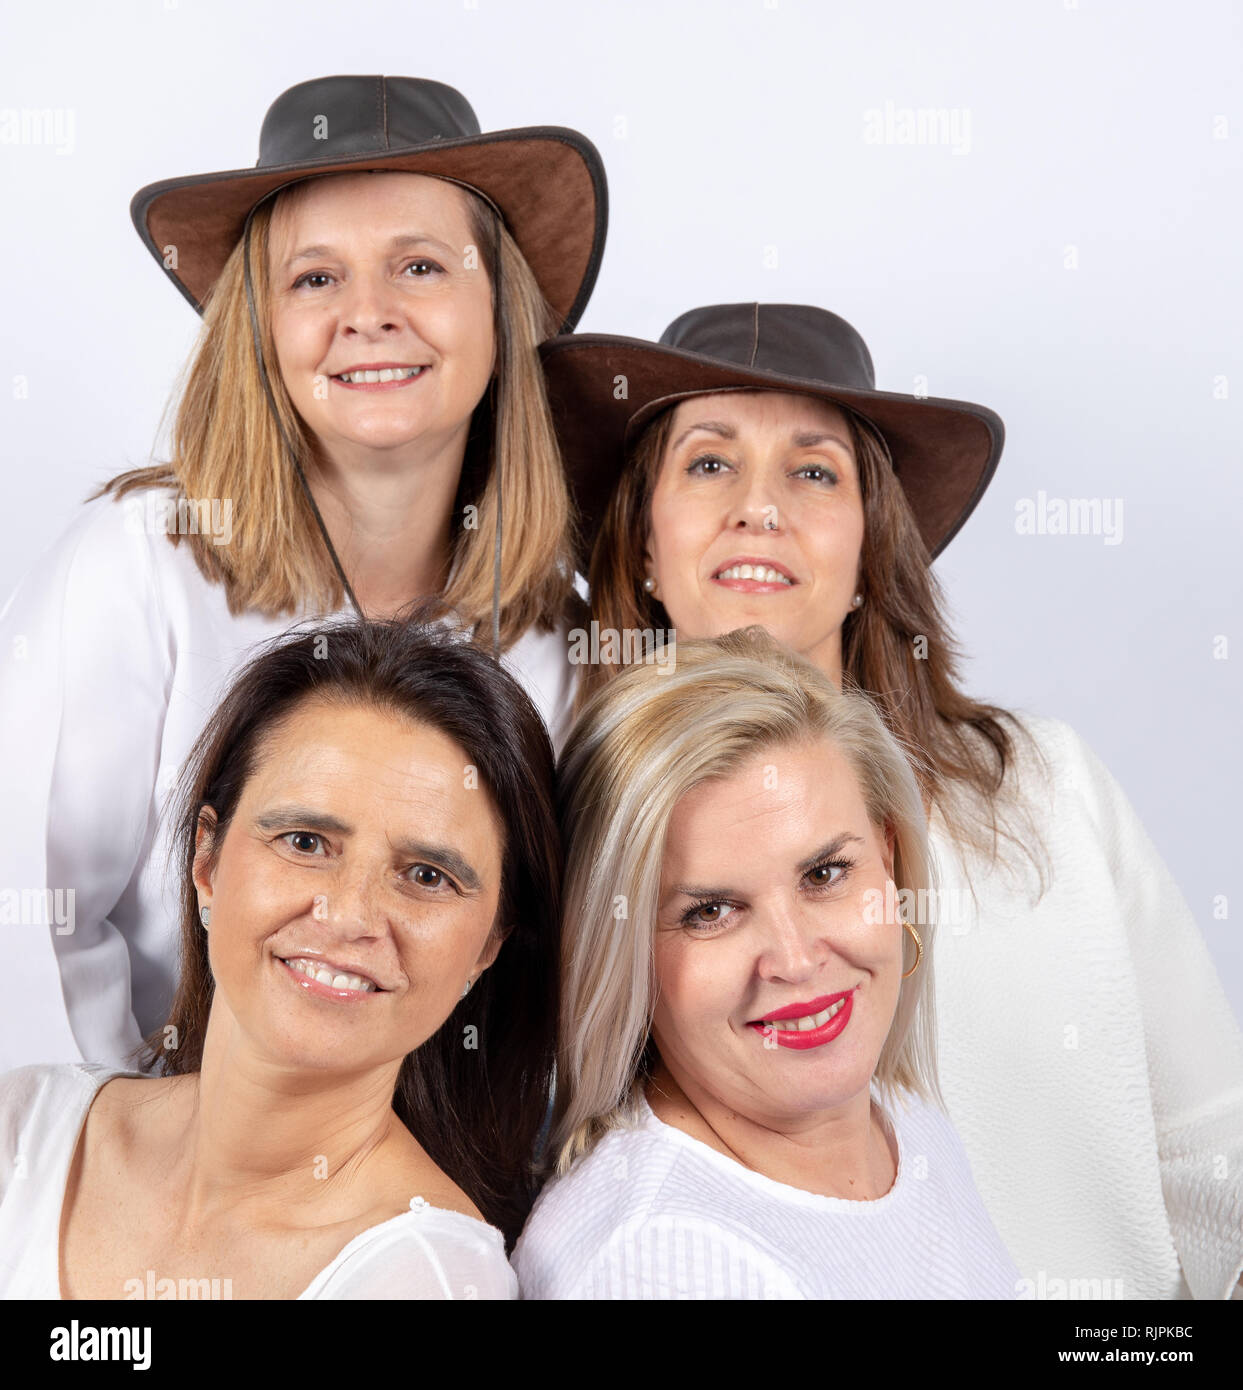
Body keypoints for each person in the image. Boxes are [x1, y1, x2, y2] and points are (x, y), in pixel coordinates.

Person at [537, 302, 1243, 1299]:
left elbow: (1217, 1160)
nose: (759, 505)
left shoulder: (1045, 787)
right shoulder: (579, 841)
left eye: (813, 469)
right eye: (707, 462)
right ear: (642, 547)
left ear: (872, 552)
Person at [0, 74, 605, 1072]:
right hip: (139, 1158)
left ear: (499, 313)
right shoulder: (137, 565)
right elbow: (26, 920)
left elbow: (554, 980)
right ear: (260, 330)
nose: (367, 314)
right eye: (315, 278)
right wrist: (131, 1156)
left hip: (439, 1185)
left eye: (419, 266)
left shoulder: (564, 643)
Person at [0, 614, 562, 1298]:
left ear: (488, 947)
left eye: (425, 876)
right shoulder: (21, 1129)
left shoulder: (433, 1281)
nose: (348, 915)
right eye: (304, 841)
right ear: (206, 862)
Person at [514, 628, 1019, 1299]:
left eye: (825, 873)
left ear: (889, 862)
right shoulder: (655, 1261)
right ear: (617, 952)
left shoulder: (894, 1111)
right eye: (710, 912)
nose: (796, 960)